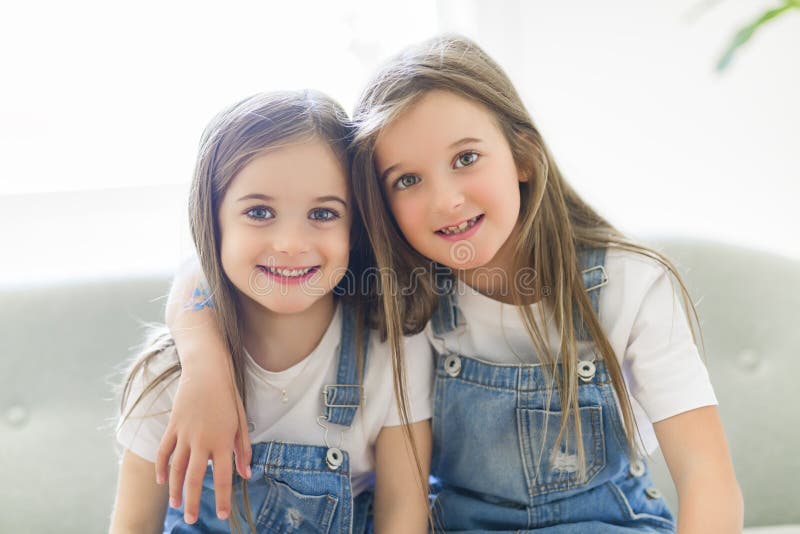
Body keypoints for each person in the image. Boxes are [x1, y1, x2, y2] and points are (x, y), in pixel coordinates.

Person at [159, 36, 743, 532]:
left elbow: (707, 477)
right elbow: (203, 273)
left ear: (522, 156)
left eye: (466, 159)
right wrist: (206, 365)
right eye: (407, 179)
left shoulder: (630, 285)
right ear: (377, 205)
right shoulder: (402, 288)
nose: (445, 200)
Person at [109, 90, 433, 534]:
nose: (290, 243)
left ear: (354, 229)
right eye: (259, 212)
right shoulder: (168, 375)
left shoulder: (390, 352)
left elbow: (403, 518)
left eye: (323, 213)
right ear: (213, 220)